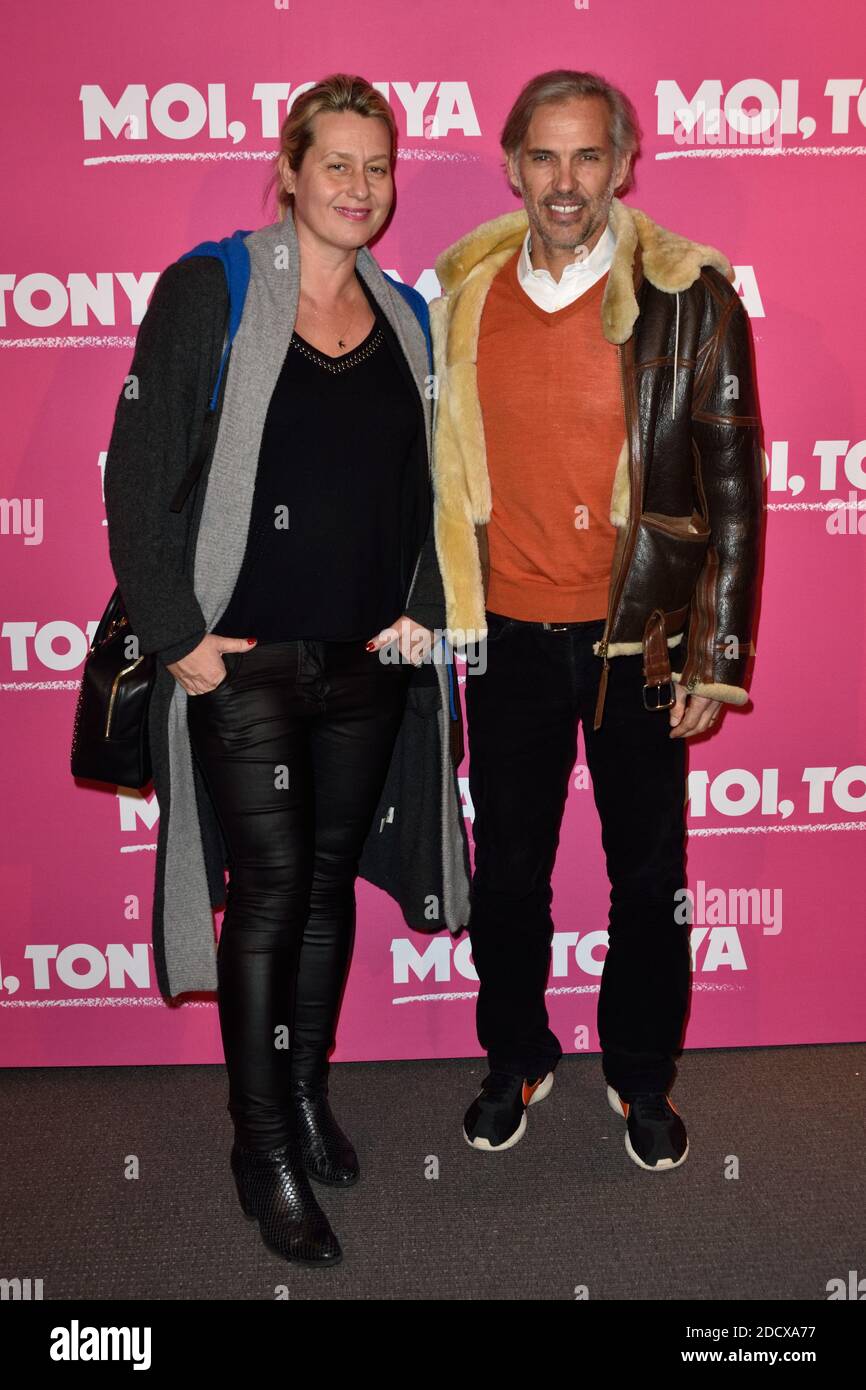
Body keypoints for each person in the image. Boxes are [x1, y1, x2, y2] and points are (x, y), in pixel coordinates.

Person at [103, 74, 463, 1268]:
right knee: (264, 898)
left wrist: (421, 610)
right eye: (337, 165)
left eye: (378, 167)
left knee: (318, 891)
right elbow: (138, 468)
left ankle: (306, 1093)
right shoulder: (208, 288)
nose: (359, 189)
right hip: (241, 661)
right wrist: (178, 639)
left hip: (365, 660)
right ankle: (257, 1144)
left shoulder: (406, 313)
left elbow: (429, 483)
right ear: (291, 168)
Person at [428, 70, 764, 1170]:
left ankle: (637, 1072)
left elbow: (731, 491)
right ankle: (513, 1054)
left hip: (642, 641)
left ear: (622, 164)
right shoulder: (464, 294)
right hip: (511, 635)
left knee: (646, 875)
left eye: (586, 158)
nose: (564, 182)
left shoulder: (687, 294)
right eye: (542, 156)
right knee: (509, 874)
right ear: (512, 163)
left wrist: (713, 659)